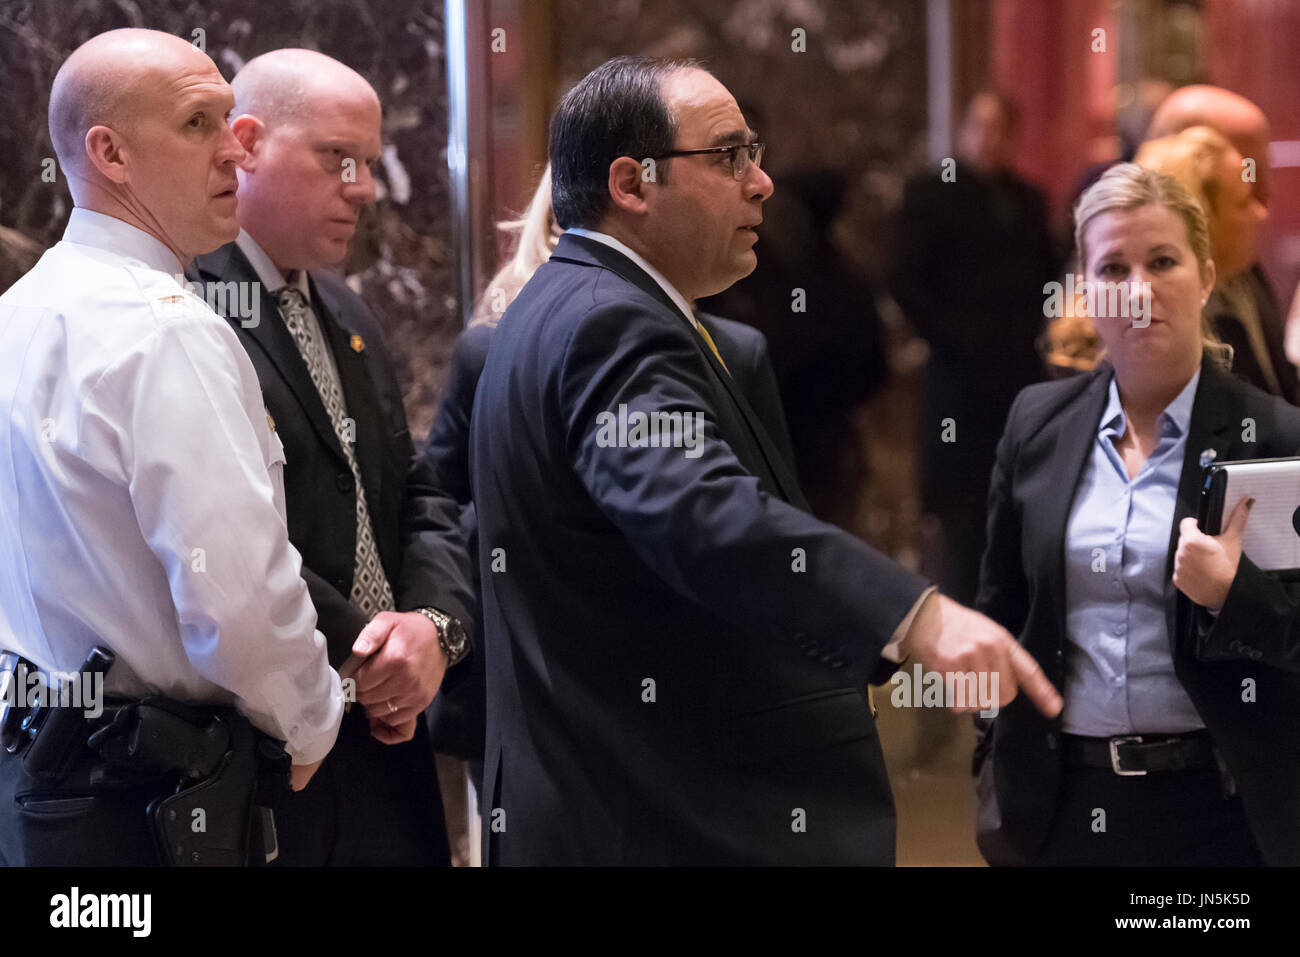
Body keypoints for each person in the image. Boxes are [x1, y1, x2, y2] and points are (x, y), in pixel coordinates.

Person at [469, 56, 1061, 866]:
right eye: (729, 157)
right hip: (649, 818)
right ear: (631, 183)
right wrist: (917, 614)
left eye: (756, 153)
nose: (763, 183)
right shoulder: (613, 324)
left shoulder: (567, 303)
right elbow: (696, 507)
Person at [0, 29, 342, 865]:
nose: (236, 153)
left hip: (35, 781)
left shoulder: (21, 309)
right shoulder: (164, 331)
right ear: (109, 152)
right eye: (198, 125)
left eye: (232, 120)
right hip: (147, 799)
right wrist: (312, 717)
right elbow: (236, 600)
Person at [419, 163, 800, 784]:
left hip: (685, 675)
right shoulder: (491, 348)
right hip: (531, 668)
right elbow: (442, 495)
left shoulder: (732, 353)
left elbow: (768, 513)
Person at [187, 49, 475, 866]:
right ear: (245, 143)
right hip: (272, 759)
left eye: (372, 165)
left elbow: (415, 489)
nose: (366, 188)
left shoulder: (346, 307)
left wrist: (433, 631)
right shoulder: (185, 312)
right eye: (338, 158)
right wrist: (372, 650)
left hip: (390, 742)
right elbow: (225, 536)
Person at [976, 162, 1300, 866]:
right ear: (1085, 289)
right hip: (1065, 807)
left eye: (1162, 262)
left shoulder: (1275, 437)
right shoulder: (1039, 423)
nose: (1139, 291)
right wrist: (993, 764)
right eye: (1113, 268)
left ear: (1207, 276)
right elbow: (1002, 609)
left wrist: (1234, 595)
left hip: (1220, 814)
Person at [891, 91, 1058, 607]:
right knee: (961, 510)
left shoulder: (1029, 199)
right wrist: (954, 336)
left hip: (1017, 372)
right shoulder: (932, 192)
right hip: (959, 377)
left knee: (1014, 495)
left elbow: (1046, 274)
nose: (988, 139)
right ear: (963, 132)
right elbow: (905, 278)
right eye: (979, 126)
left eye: (999, 128)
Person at [1146, 85, 1297, 403]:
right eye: (1248, 174)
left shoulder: (1241, 264)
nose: (1263, 204)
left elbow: (1277, 386)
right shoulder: (1147, 299)